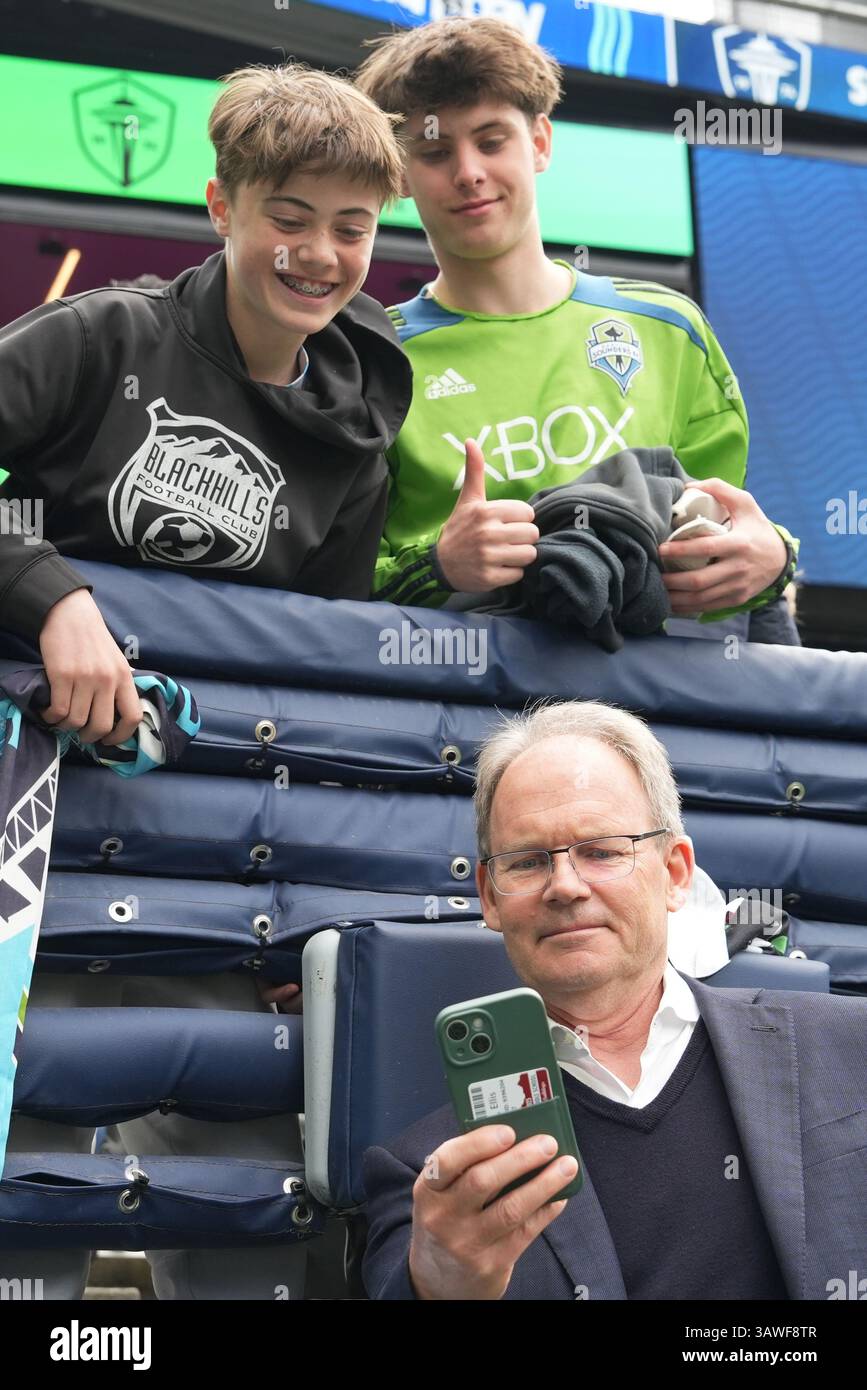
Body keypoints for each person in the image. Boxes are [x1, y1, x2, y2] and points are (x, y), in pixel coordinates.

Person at [0, 60, 412, 1300]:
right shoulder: (99, 336)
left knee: (242, 1193)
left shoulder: (356, 427)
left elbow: (328, 672)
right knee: (32, 1186)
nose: (320, 253)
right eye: (288, 215)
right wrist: (50, 592)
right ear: (220, 205)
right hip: (34, 845)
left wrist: (315, 903)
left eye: (351, 227)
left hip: (214, 859)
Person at [361, 701, 867, 1300]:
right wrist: (443, 1286)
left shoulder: (849, 1047)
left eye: (601, 851)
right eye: (526, 862)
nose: (566, 886)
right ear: (489, 898)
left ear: (675, 872)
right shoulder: (431, 1178)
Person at [354, 18, 800, 643]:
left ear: (539, 141)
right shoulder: (371, 358)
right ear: (399, 173)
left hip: (661, 717)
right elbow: (330, 585)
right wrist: (440, 568)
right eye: (433, 151)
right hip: (456, 722)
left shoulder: (670, 330)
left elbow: (724, 560)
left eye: (491, 140)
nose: (468, 172)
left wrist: (772, 560)